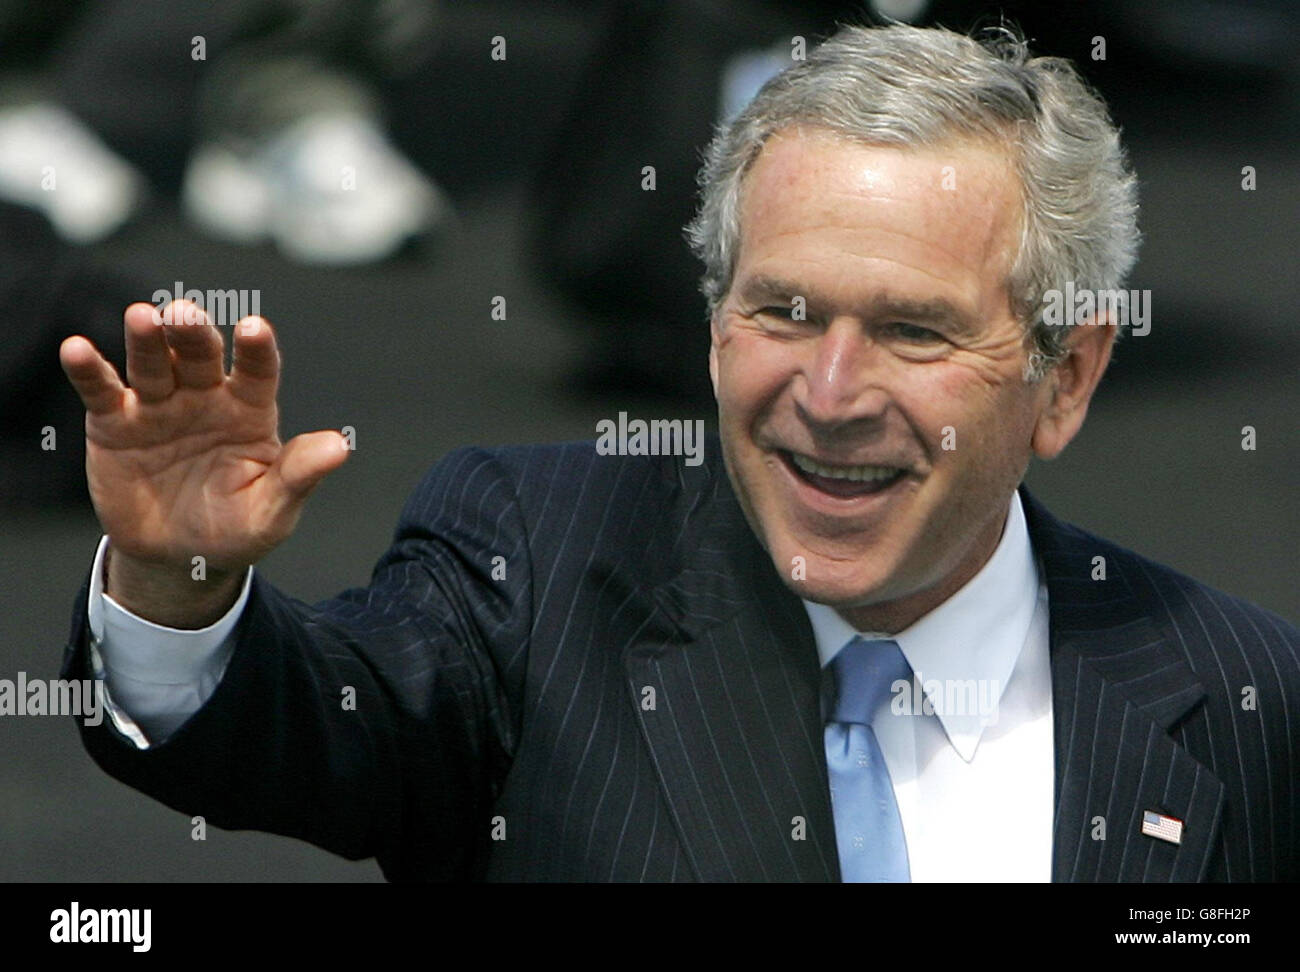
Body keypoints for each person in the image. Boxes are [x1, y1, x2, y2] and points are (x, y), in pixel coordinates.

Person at [57, 23, 1298, 882]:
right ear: (712, 322)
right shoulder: (538, 571)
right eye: (784, 312)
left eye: (913, 331)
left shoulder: (1236, 690)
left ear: (1064, 379)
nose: (828, 392)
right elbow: (304, 725)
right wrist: (180, 585)